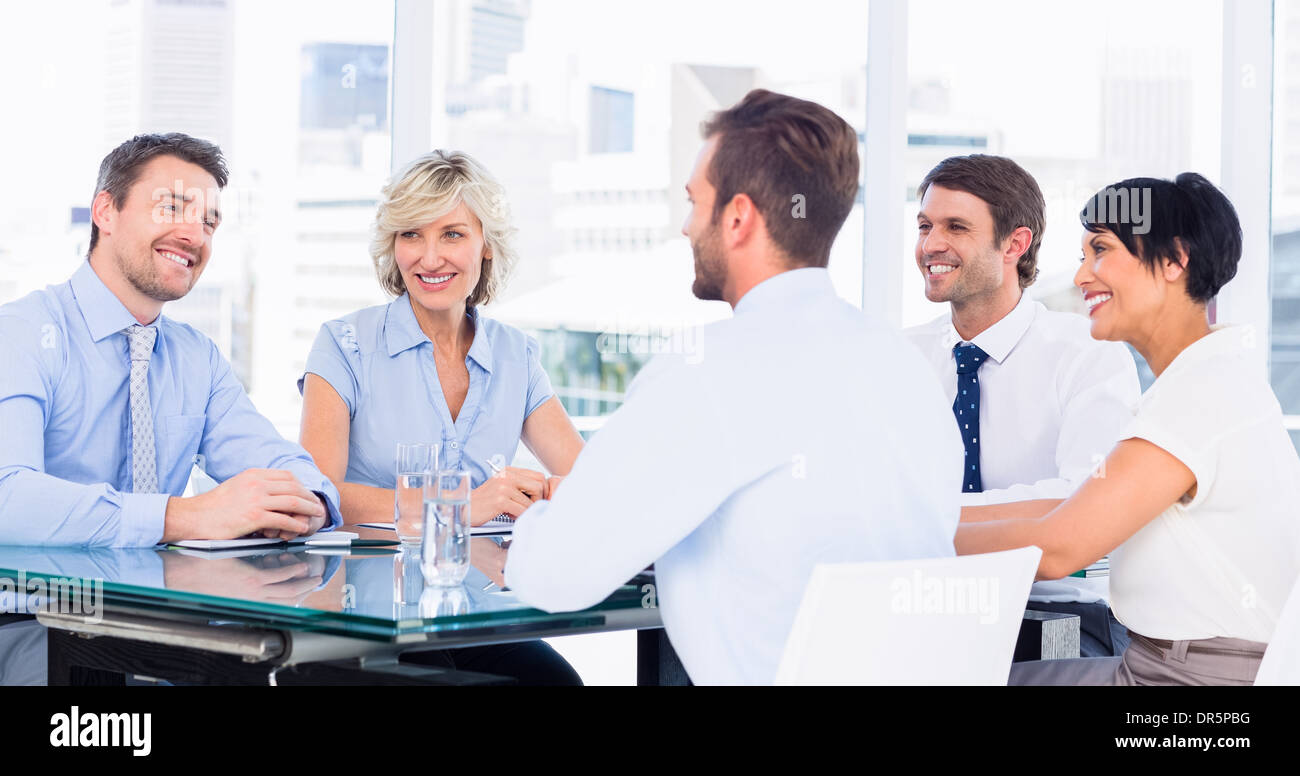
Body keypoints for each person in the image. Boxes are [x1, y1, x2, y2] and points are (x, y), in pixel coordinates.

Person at [503, 89, 962, 685]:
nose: (687, 224)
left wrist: (534, 514)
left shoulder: (705, 372)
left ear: (738, 216)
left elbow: (553, 575)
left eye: (696, 202)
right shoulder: (905, 367)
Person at [956, 173, 1300, 685]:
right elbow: (1076, 506)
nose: (1080, 277)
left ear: (1174, 260)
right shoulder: (1197, 381)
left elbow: (1060, 547)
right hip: (1157, 666)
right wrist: (923, 520)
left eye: (1100, 250)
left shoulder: (1201, 395)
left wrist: (906, 537)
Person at [297, 149, 585, 685]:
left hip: (471, 613)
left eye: (452, 234)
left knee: (558, 685)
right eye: (411, 235)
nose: (429, 258)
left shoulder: (515, 355)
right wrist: (458, 508)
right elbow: (320, 495)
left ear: (487, 246)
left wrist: (551, 493)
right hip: (364, 621)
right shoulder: (344, 345)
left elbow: (586, 477)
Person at [0, 133, 340, 548]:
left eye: (208, 222)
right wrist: (188, 516)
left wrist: (310, 505)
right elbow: (8, 497)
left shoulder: (197, 359)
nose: (194, 236)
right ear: (106, 212)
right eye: (172, 208)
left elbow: (286, 467)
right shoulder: (21, 334)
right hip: (33, 607)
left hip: (162, 608)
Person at [905, 154, 1140, 657]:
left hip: (1053, 614)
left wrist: (926, 522)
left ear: (1015, 243)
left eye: (956, 227)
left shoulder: (1087, 353)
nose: (930, 245)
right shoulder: (900, 360)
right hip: (919, 604)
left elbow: (1083, 503)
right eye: (924, 225)